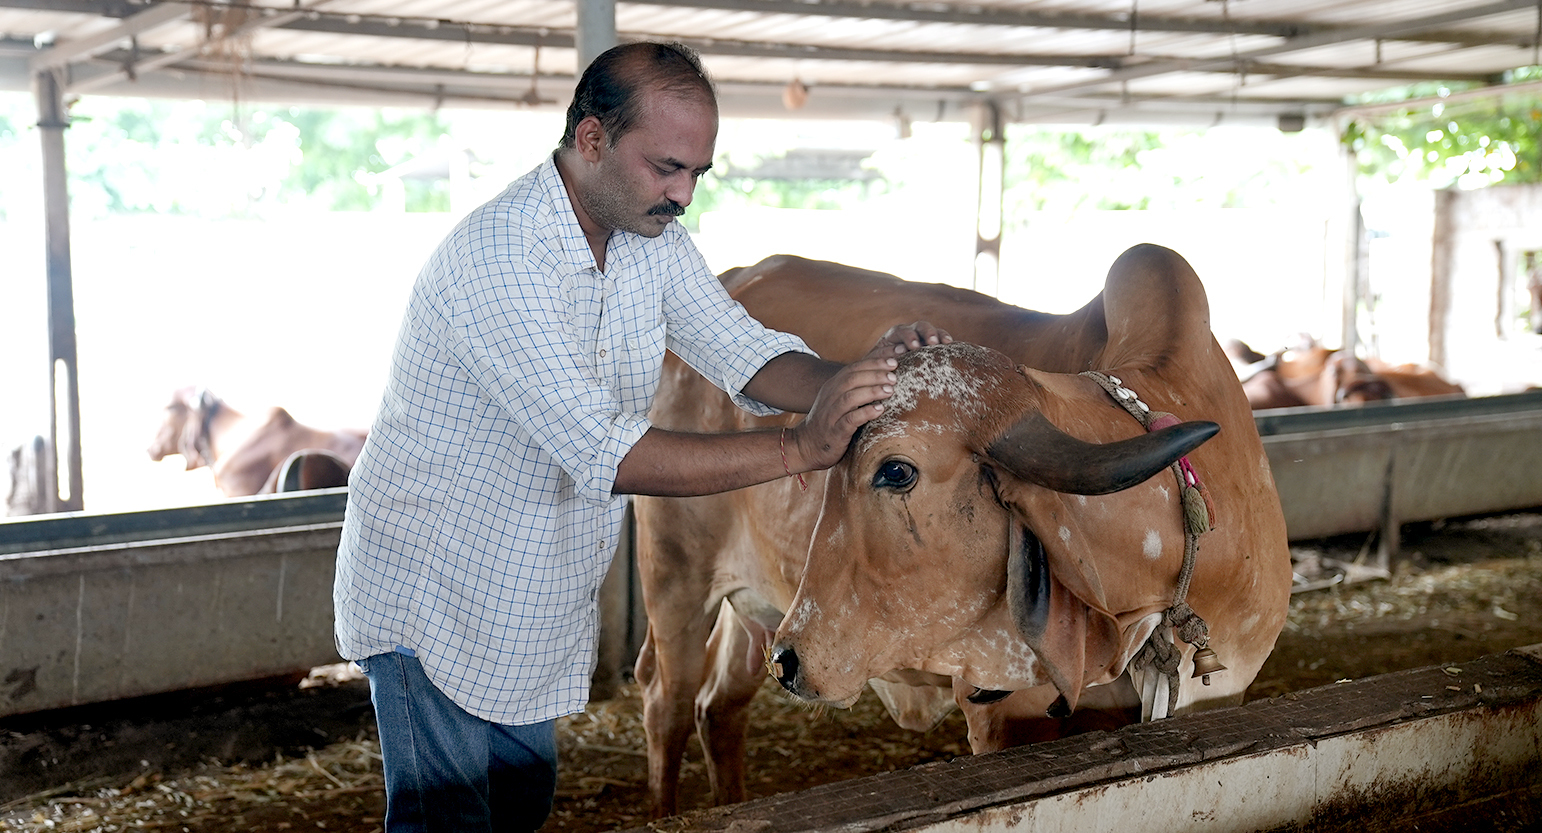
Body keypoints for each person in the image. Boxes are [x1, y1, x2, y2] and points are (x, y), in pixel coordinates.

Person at [333, 40, 949, 832]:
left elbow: (744, 350)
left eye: (698, 172)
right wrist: (801, 447)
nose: (683, 193)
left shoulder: (645, 241)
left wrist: (865, 380)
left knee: (518, 810)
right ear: (591, 140)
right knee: (448, 822)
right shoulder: (501, 260)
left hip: (530, 592)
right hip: (437, 589)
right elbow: (608, 451)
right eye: (666, 167)